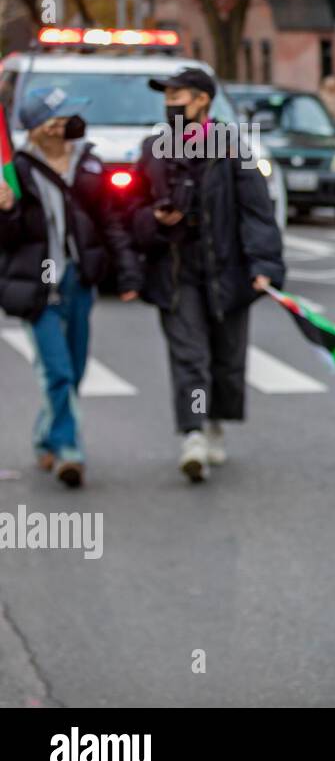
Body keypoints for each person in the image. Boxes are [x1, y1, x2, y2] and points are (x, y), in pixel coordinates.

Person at [128, 67, 284, 482]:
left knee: (225, 358)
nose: (170, 101)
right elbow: (132, 212)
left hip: (226, 268)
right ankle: (193, 434)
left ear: (201, 99)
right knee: (189, 357)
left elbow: (257, 212)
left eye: (177, 93)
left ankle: (215, 422)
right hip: (176, 268)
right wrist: (157, 221)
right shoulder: (153, 148)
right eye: (167, 94)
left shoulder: (232, 148)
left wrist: (264, 266)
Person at [0, 88, 141, 486]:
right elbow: (7, 241)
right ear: (36, 126)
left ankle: (46, 434)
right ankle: (68, 449)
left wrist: (128, 272)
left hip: (78, 281)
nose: (65, 124)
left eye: (68, 116)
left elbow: (110, 223)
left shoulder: (88, 163)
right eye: (56, 117)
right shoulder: (18, 171)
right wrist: (6, 210)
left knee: (75, 369)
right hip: (37, 286)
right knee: (57, 370)